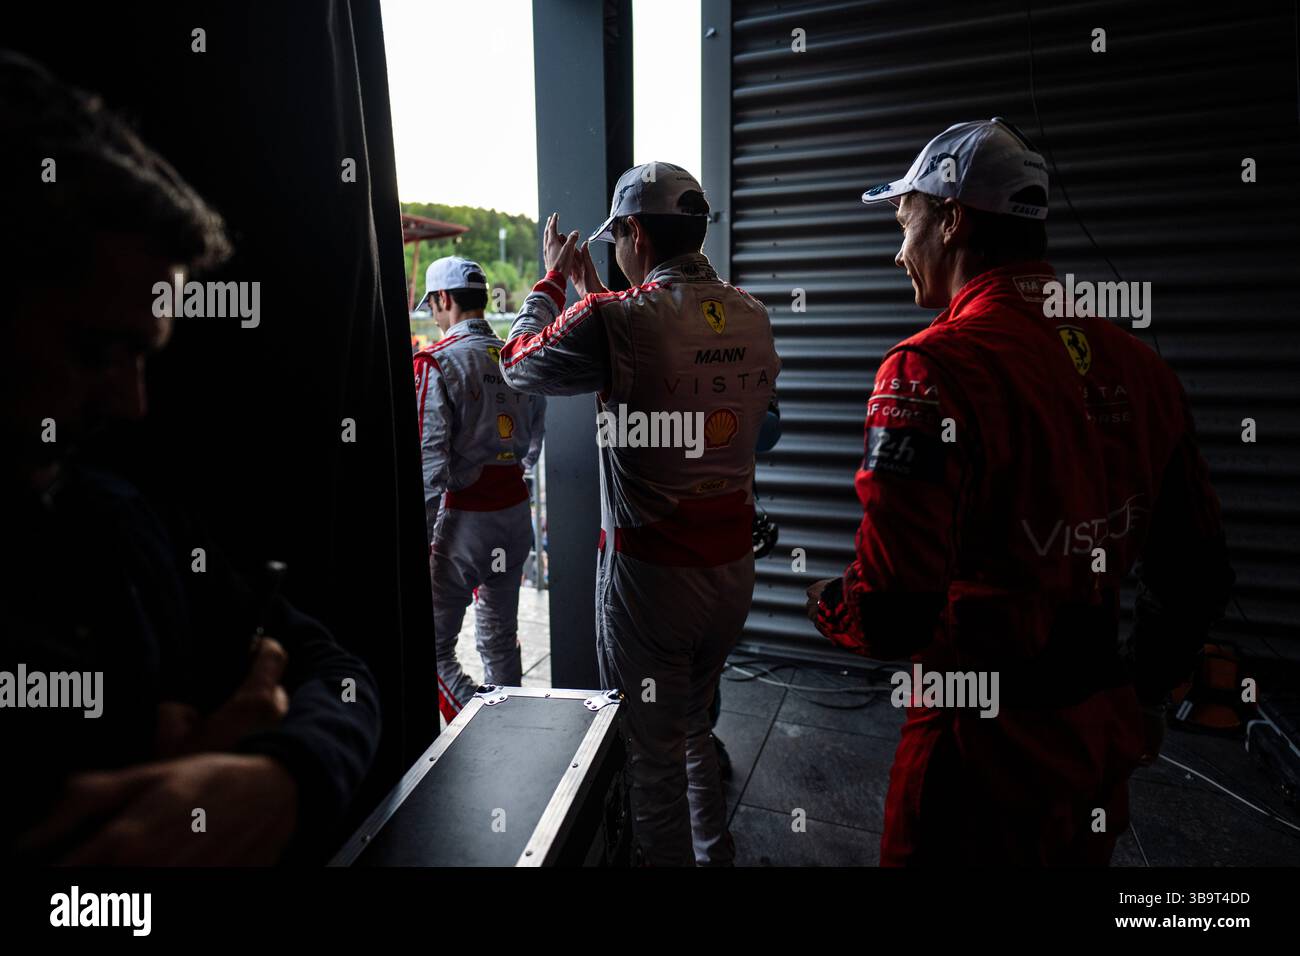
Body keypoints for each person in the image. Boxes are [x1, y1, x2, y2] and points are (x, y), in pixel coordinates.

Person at [805, 118, 1234, 865]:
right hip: (1094, 743)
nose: (897, 249)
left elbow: (894, 609)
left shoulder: (928, 370)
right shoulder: (1138, 363)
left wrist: (826, 604)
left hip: (975, 757)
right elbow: (1196, 569)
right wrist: (1140, 694)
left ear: (952, 219)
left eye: (906, 223)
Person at [0, 51, 381, 865]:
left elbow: (332, 666)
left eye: (145, 356)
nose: (132, 403)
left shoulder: (116, 513)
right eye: (97, 349)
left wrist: (277, 780)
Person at [499, 162, 780, 865]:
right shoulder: (750, 311)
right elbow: (640, 346)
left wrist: (550, 281)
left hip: (652, 581)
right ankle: (718, 855)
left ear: (631, 234)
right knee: (694, 734)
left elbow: (518, 364)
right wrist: (594, 292)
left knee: (651, 757)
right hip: (731, 572)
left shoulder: (617, 320)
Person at [414, 257, 545, 721]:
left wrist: (423, 539)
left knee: (429, 654)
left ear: (444, 299)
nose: (432, 313)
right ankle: (512, 734)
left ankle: (482, 729)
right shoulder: (516, 357)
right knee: (498, 638)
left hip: (463, 523)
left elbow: (429, 463)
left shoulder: (436, 361)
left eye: (431, 304)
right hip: (514, 517)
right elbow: (532, 446)